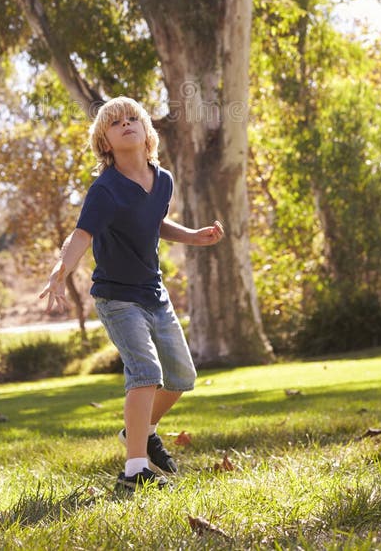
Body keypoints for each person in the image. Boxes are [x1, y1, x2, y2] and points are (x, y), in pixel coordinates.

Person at [39, 95, 224, 492]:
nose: (125, 124)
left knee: (181, 376)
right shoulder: (105, 190)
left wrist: (193, 236)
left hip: (154, 293)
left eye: (132, 118)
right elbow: (81, 235)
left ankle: (140, 431)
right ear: (104, 142)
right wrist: (60, 268)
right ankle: (134, 470)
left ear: (146, 131)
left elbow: (154, 222)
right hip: (117, 298)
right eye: (115, 122)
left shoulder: (164, 180)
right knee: (145, 374)